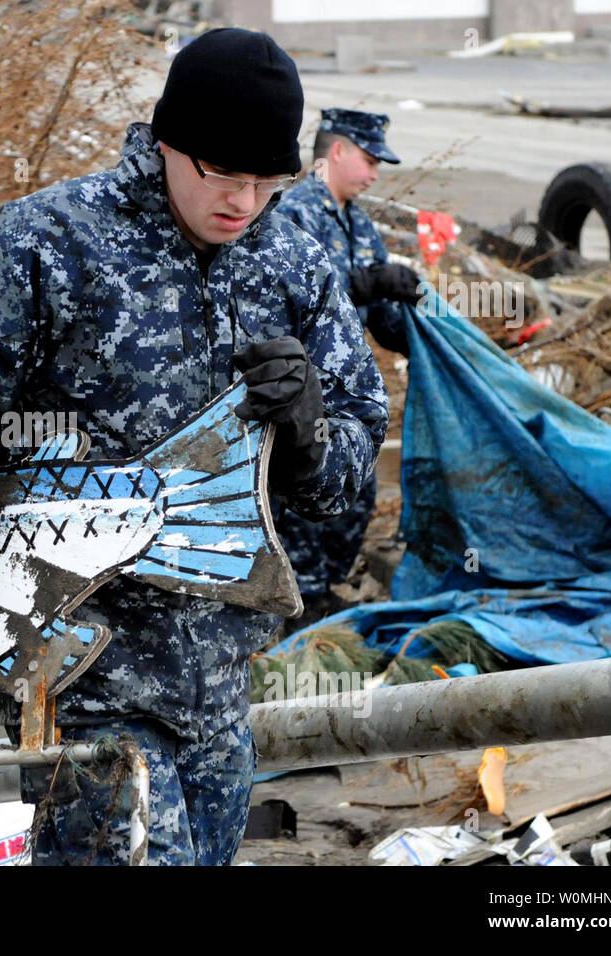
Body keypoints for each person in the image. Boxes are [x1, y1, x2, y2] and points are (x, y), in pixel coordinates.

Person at [0, 30, 388, 865]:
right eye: (223, 176)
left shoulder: (295, 265)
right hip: (82, 677)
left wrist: (309, 435)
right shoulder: (48, 244)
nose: (243, 201)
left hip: (223, 687)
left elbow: (348, 472)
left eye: (267, 183)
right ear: (167, 144)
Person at [272, 108, 421, 625]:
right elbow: (289, 295)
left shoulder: (358, 222)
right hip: (295, 388)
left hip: (346, 390)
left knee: (354, 493)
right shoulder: (294, 211)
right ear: (336, 151)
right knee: (297, 497)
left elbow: (381, 315)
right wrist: (368, 283)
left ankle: (322, 590)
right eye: (368, 158)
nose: (375, 172)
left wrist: (419, 324)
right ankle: (298, 602)